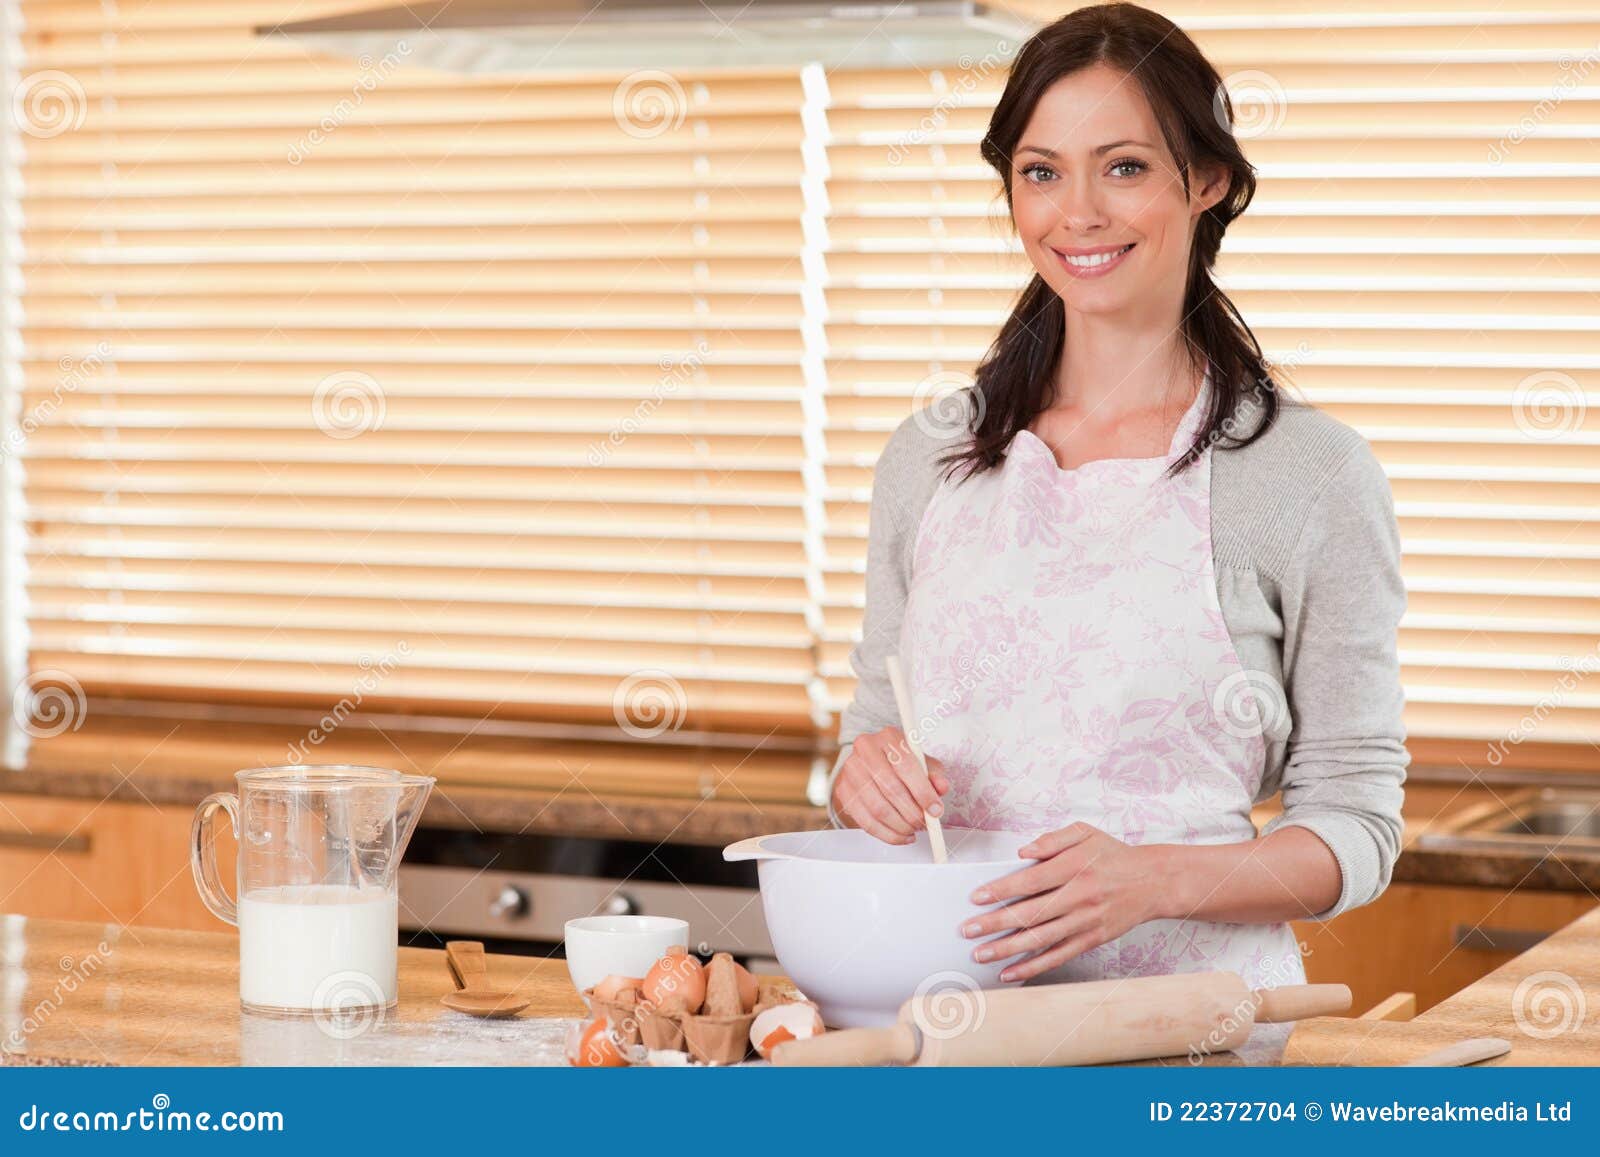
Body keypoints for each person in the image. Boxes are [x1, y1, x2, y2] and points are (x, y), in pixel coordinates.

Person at [825, 3, 1408, 992]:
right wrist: (860, 780)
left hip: (1180, 1043)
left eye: (1124, 166)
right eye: (1040, 171)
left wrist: (1153, 880)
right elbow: (869, 742)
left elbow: (1355, 824)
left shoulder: (1308, 475)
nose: (1078, 212)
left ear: (1206, 180)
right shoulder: (931, 457)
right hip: (941, 1021)